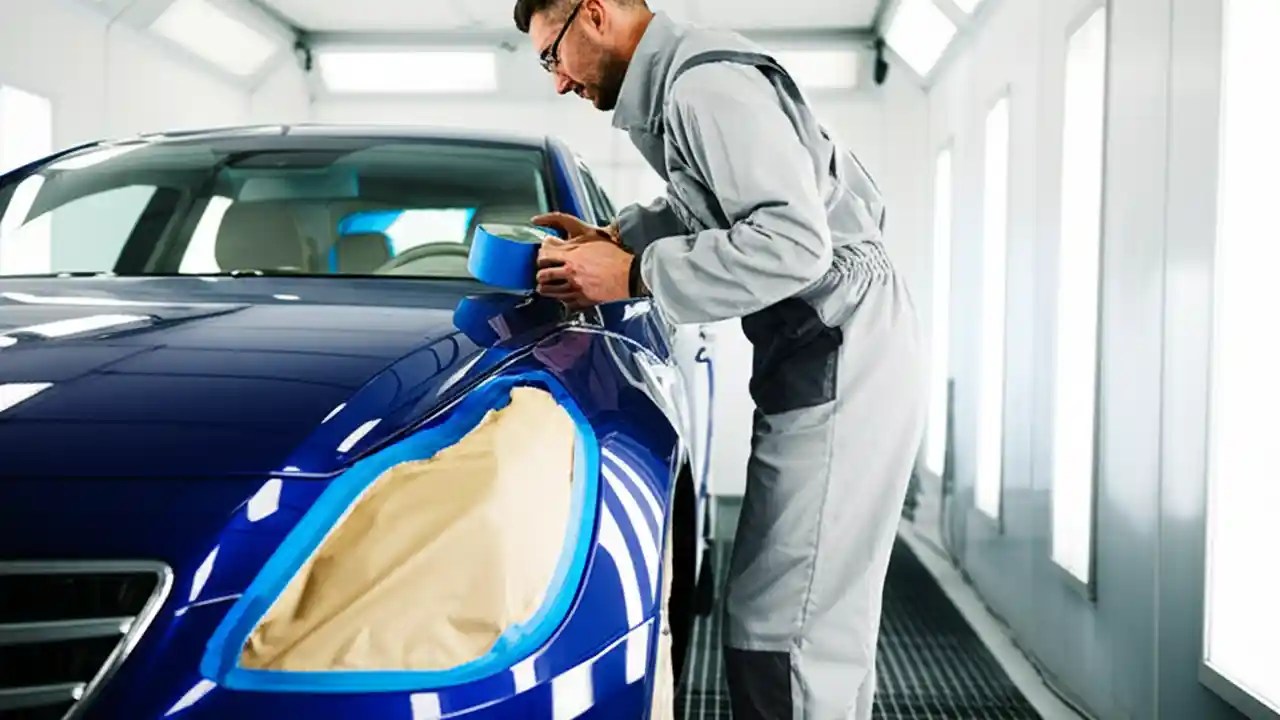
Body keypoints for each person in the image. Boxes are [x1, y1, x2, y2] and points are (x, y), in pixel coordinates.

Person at [512, 1, 928, 718]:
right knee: (814, 614)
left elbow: (794, 244)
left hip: (841, 342)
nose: (558, 82)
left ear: (598, 13)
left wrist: (636, 275)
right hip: (831, 343)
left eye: (552, 55)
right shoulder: (684, 83)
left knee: (786, 625)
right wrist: (613, 233)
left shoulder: (705, 87)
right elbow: (714, 204)